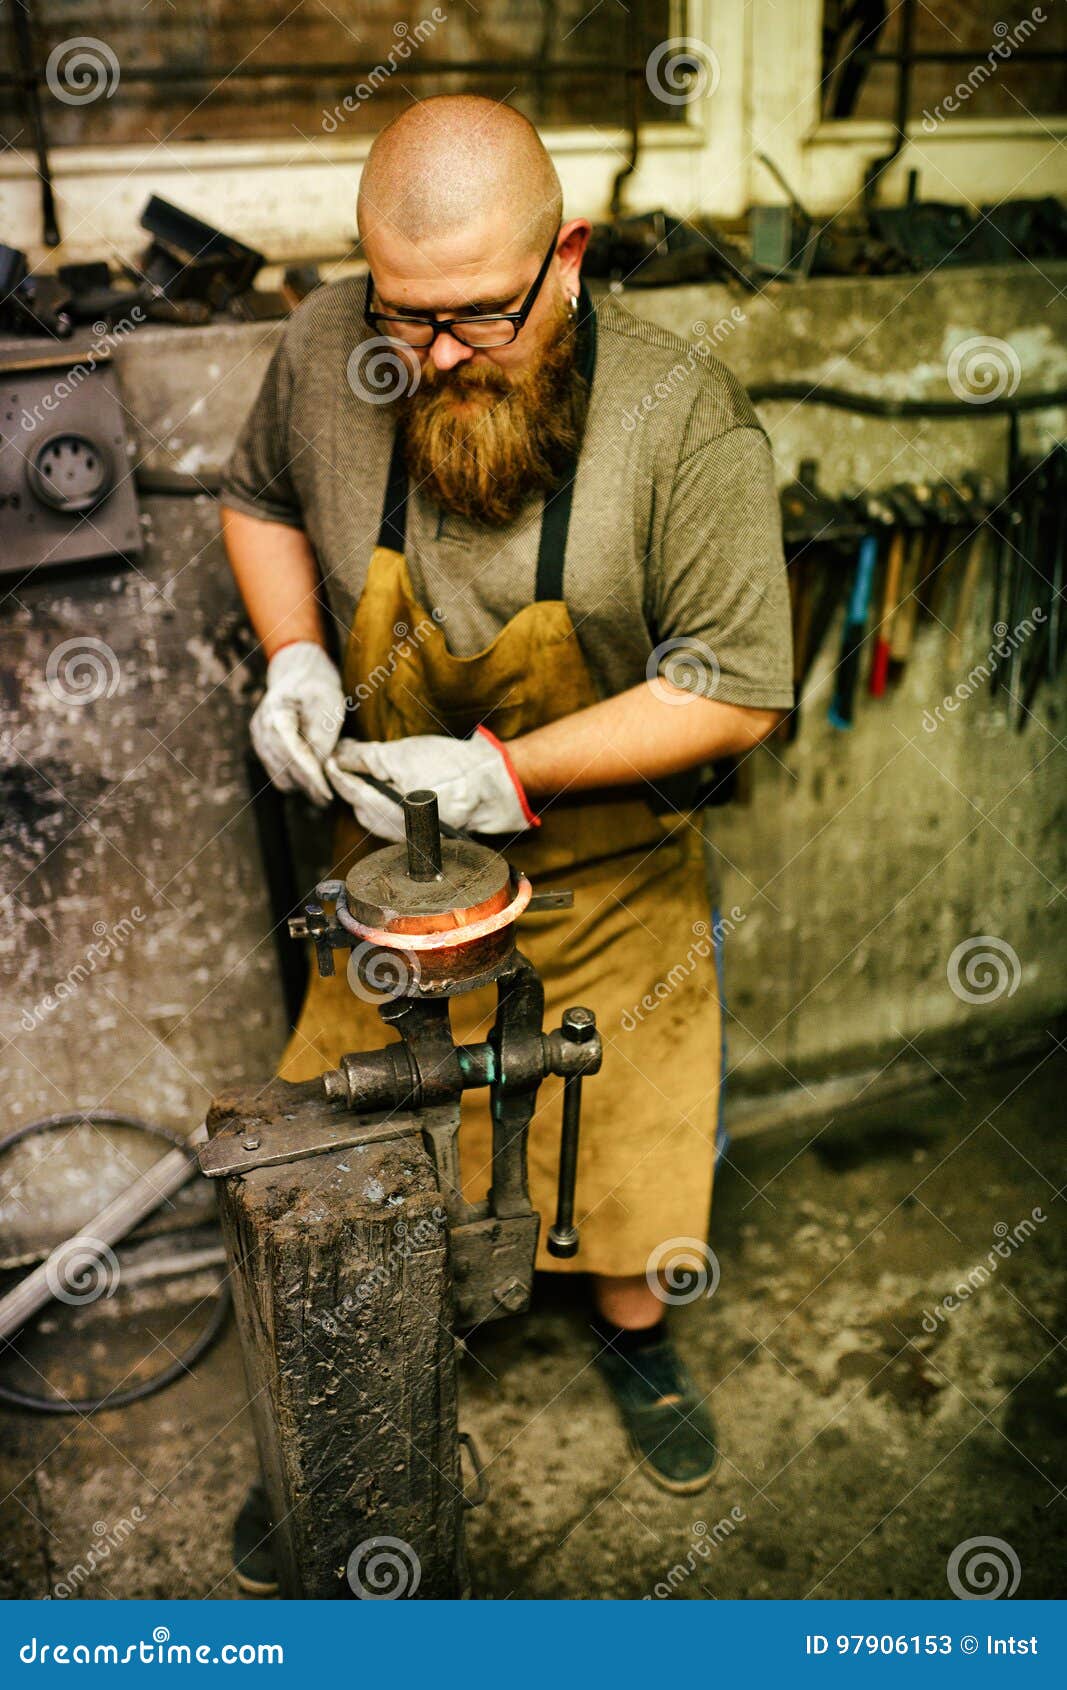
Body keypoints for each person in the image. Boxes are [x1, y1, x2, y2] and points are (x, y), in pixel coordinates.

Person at [219, 94, 792, 1589]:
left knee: (627, 1176)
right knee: (351, 1165)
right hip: (395, 895)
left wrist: (507, 771)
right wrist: (291, 652)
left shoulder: (683, 419)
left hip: (607, 885)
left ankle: (636, 1346)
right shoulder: (331, 349)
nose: (434, 352)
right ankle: (354, 1399)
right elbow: (257, 497)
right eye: (404, 316)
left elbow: (736, 694)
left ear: (570, 257)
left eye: (480, 313)